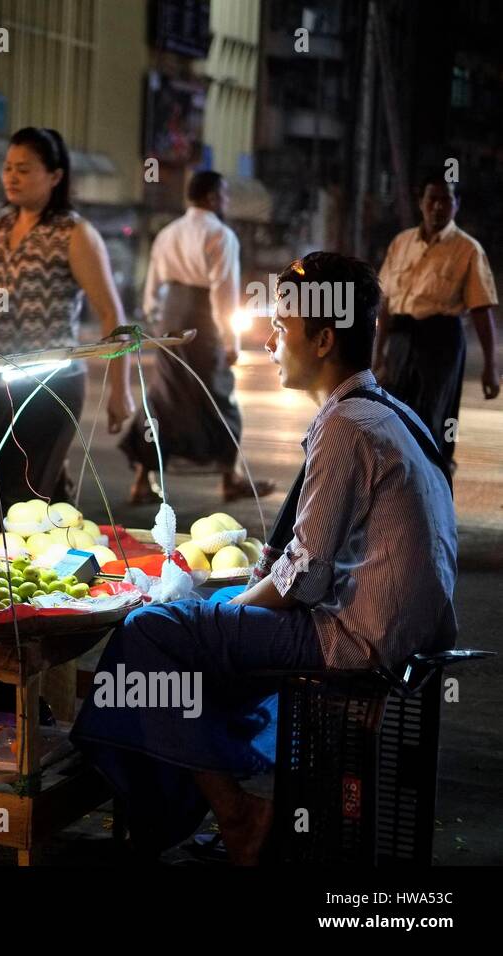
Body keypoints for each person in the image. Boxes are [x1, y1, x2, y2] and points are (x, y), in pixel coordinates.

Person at [73, 252, 457, 864]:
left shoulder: (347, 427)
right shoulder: (388, 411)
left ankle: (237, 816)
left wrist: (225, 614)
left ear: (324, 338)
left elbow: (301, 579)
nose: (270, 339)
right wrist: (226, 608)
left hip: (352, 639)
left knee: (148, 634)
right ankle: (218, 797)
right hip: (390, 626)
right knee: (204, 614)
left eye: (282, 326)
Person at [0, 126, 136, 536]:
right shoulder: (0, 229)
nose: (11, 176)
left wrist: (120, 388)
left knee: (7, 503)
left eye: (24, 169)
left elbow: (112, 314)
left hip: (54, 387)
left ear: (55, 176)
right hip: (5, 382)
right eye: (8, 167)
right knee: (40, 495)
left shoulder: (74, 234)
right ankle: (75, 567)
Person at [118, 170, 274, 504]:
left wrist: (152, 317)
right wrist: (231, 342)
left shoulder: (168, 233)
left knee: (162, 397)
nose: (227, 202)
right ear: (212, 198)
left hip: (170, 320)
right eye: (225, 195)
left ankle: (142, 481)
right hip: (201, 324)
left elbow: (152, 285)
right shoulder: (221, 235)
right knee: (218, 397)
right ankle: (229, 477)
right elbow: (223, 293)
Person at [374, 175, 499, 467]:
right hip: (400, 339)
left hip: (440, 341)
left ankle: (433, 484)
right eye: (433, 199)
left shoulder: (467, 249)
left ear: (456, 205)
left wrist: (491, 368)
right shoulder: (401, 243)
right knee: (390, 416)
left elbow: (482, 309)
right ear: (421, 203)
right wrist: (378, 355)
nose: (438, 206)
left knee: (432, 420)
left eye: (447, 200)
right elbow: (385, 305)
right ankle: (392, 492)